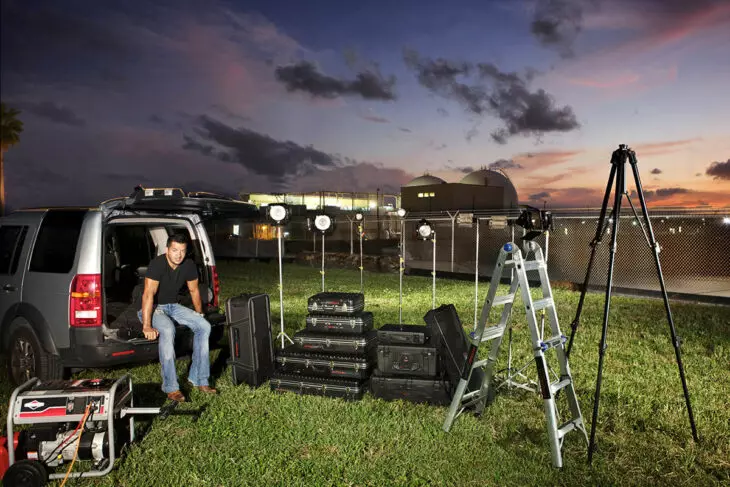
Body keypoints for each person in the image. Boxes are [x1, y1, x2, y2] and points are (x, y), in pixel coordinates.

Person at [138, 233, 217, 401]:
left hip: (173, 306)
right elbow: (148, 294)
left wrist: (200, 313)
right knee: (168, 329)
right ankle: (171, 387)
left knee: (204, 326)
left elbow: (194, 291)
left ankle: (199, 379)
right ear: (167, 249)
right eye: (174, 250)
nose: (178, 255)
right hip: (154, 308)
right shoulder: (157, 264)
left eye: (182, 250)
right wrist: (147, 325)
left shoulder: (188, 265)